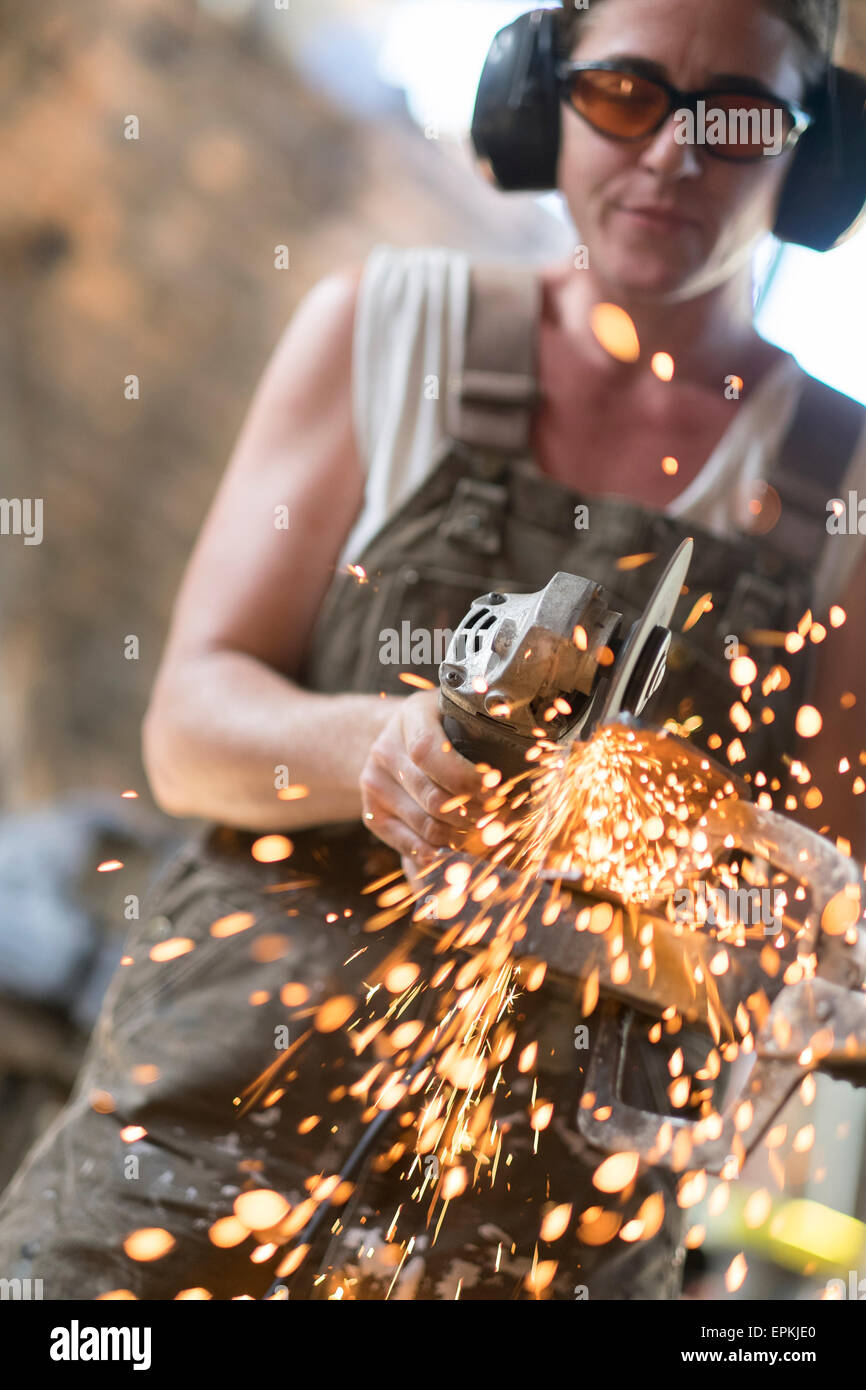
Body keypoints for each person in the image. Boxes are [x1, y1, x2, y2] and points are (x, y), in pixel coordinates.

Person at [0, 0, 864, 1301]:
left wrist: (704, 866)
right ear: (538, 98)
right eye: (622, 94)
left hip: (554, 1222)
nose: (672, 154)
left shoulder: (842, 484)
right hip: (202, 1130)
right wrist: (381, 748)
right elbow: (188, 726)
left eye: (733, 117)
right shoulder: (386, 331)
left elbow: (814, 908)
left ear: (813, 153)